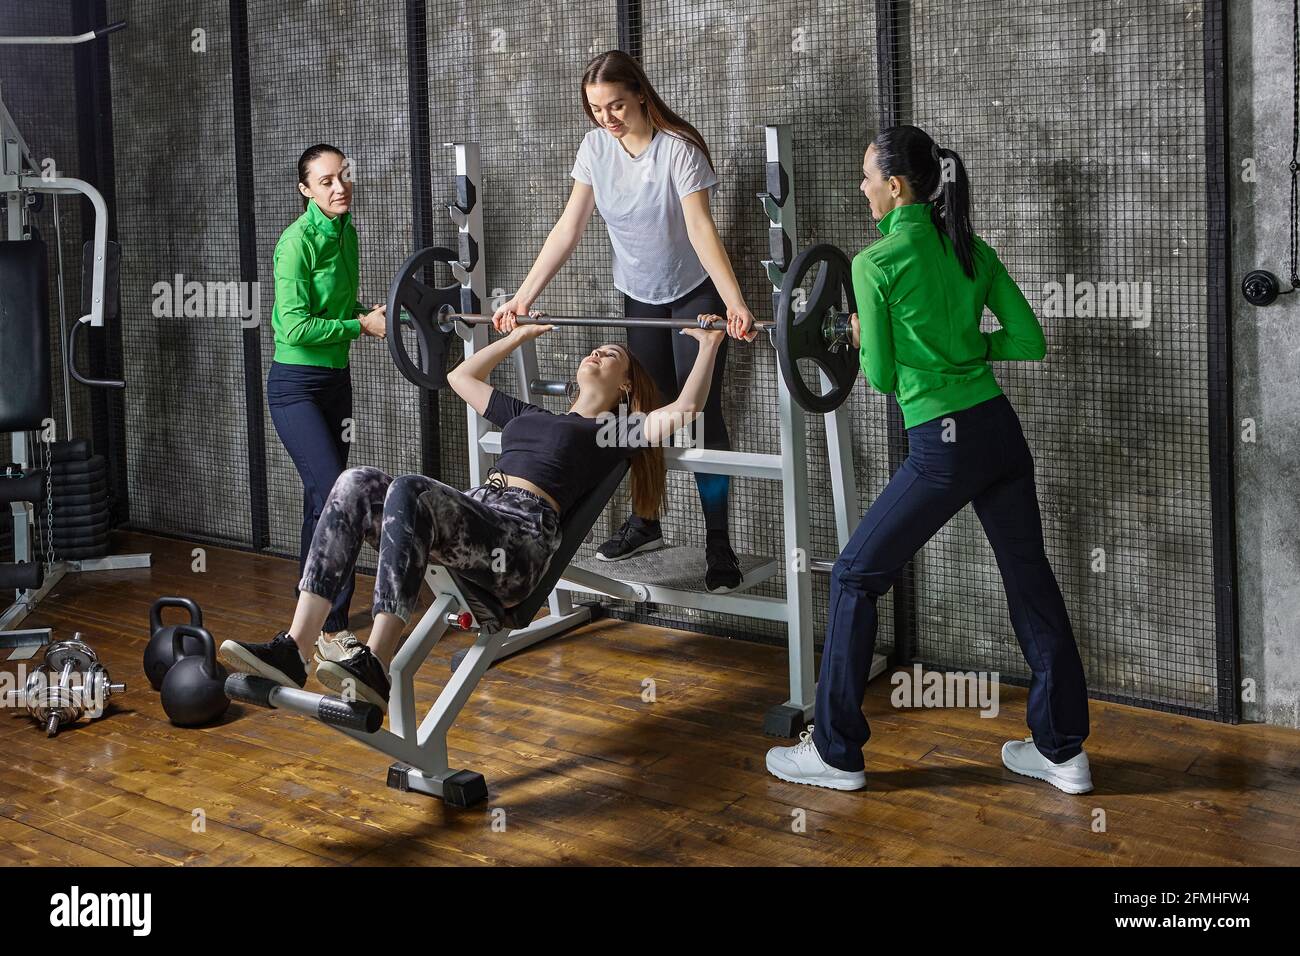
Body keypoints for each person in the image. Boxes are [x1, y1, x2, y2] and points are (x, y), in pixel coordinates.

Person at [765, 125, 1093, 795]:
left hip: (941, 444)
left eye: (866, 178)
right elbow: (1029, 344)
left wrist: (859, 332)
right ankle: (1063, 752)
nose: (861, 189)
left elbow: (881, 377)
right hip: (999, 433)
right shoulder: (972, 249)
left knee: (856, 574)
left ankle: (834, 752)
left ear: (894, 185)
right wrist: (967, 353)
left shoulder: (874, 263)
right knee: (1031, 584)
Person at [220, 316, 750, 710]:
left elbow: (685, 410)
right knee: (353, 481)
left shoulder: (611, 433)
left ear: (626, 386)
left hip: (515, 544)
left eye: (610, 353)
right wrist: (515, 336)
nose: (596, 352)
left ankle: (376, 662)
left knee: (410, 489)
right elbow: (460, 378)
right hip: (476, 514)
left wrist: (708, 344)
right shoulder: (529, 414)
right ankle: (296, 647)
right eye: (594, 348)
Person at [492, 50, 759, 592]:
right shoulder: (595, 147)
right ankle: (647, 522)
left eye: (616, 105)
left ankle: (717, 540)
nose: (608, 118)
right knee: (641, 411)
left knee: (701, 414)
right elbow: (568, 228)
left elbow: (702, 230)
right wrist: (521, 297)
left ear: (640, 94)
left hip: (692, 294)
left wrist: (734, 302)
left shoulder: (677, 151)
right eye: (596, 109)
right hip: (639, 295)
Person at [267, 143, 388, 668]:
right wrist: (359, 326)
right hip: (294, 385)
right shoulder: (295, 243)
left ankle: (311, 617)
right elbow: (293, 325)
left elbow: (342, 307)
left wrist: (384, 315)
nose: (339, 188)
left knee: (322, 500)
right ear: (305, 190)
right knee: (337, 494)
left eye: (343, 176)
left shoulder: (347, 233)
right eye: (325, 182)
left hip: (336, 380)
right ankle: (331, 627)